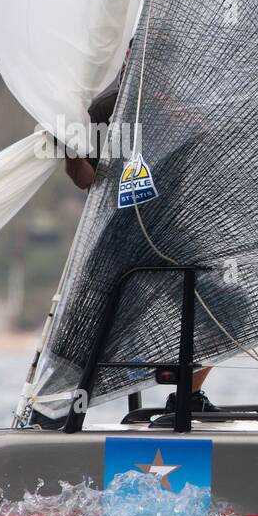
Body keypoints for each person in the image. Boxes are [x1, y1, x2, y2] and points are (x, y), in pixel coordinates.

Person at [64, 73, 216, 414]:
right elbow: (82, 179)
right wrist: (71, 149)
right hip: (114, 234)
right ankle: (59, 412)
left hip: (167, 232)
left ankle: (186, 399)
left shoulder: (181, 106)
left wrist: (182, 120)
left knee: (229, 311)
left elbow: (202, 140)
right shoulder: (106, 107)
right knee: (89, 331)